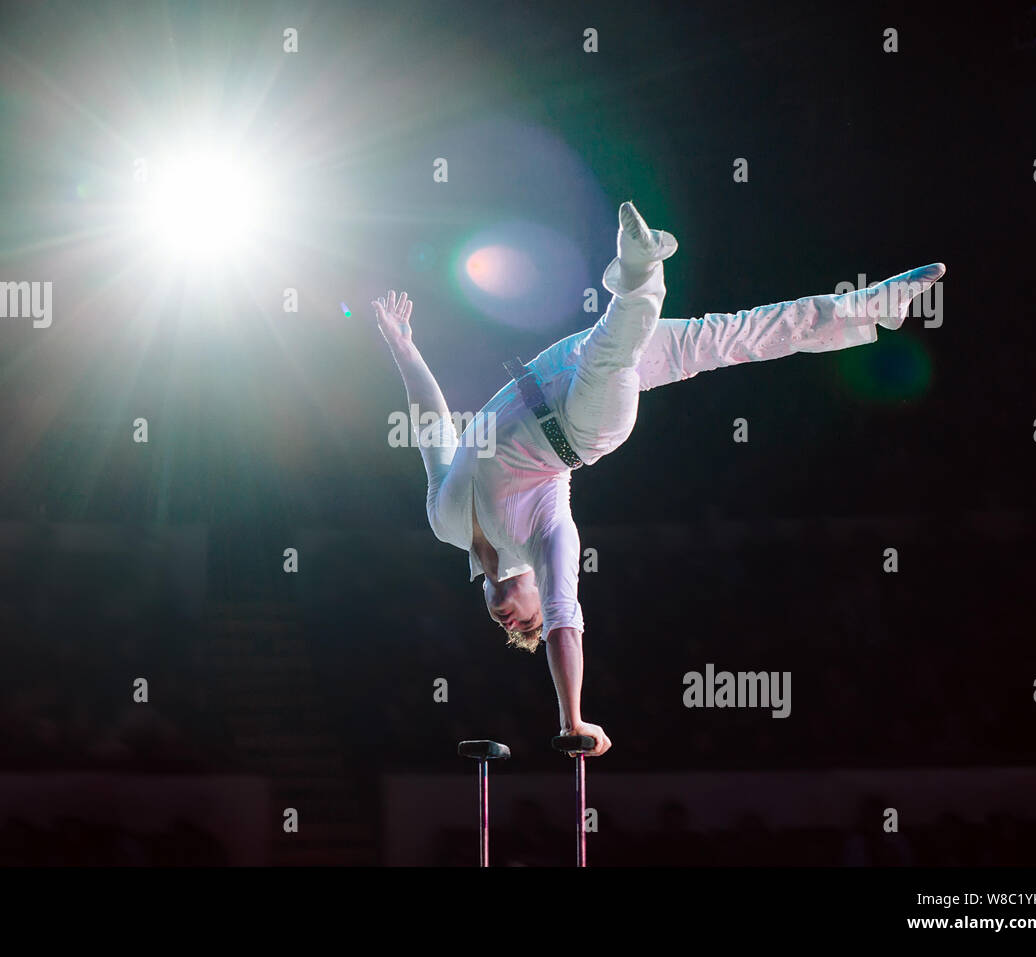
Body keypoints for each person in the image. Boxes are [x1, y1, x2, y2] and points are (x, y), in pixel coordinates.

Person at [373, 202, 944, 757]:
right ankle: (641, 271)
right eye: (526, 623)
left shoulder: (443, 523)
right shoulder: (548, 540)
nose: (509, 620)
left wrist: (404, 347)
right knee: (613, 352)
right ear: (537, 598)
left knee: (726, 337)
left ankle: (871, 306)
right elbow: (565, 623)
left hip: (550, 366)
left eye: (507, 625)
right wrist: (573, 719)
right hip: (580, 425)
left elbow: (430, 428)